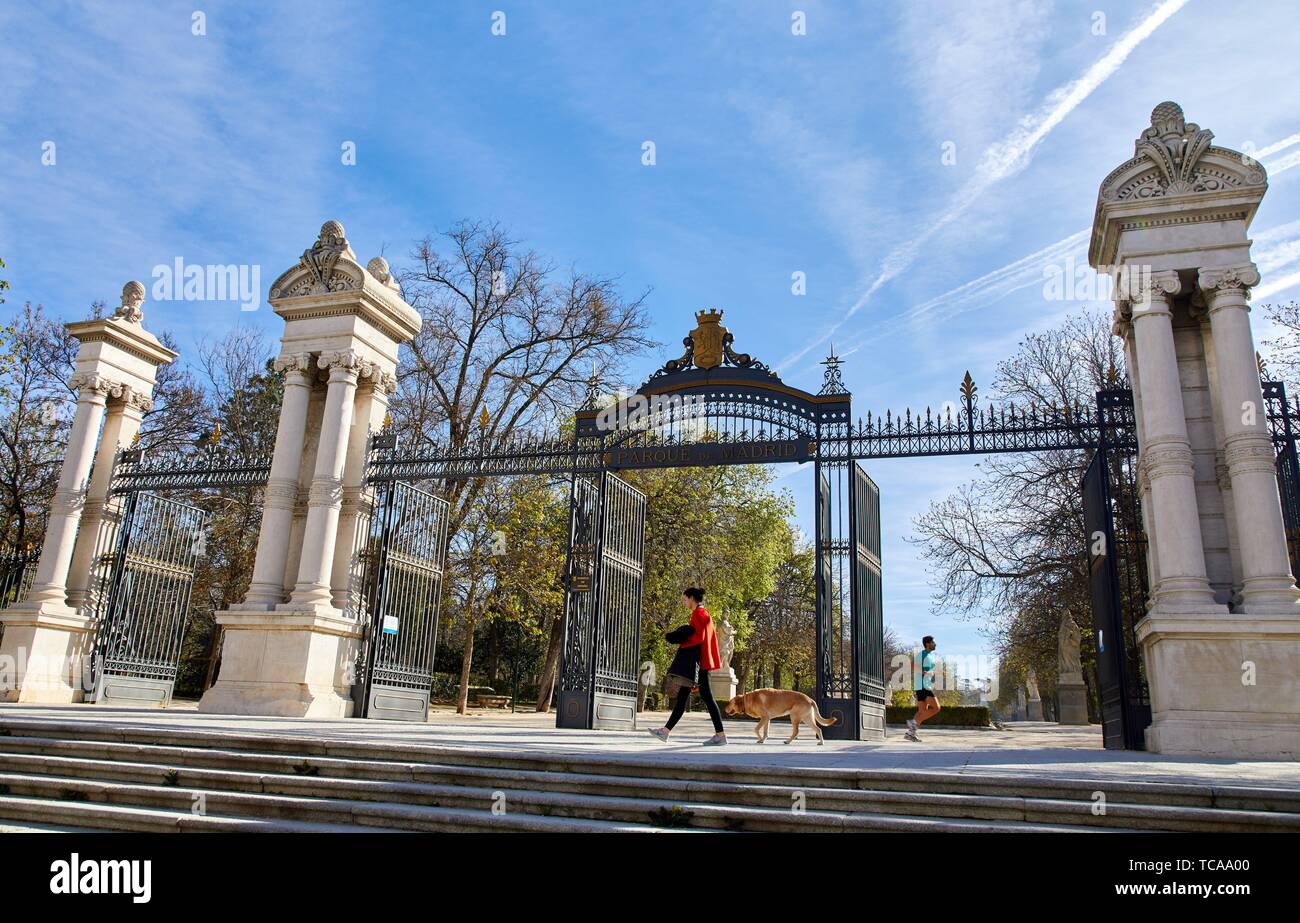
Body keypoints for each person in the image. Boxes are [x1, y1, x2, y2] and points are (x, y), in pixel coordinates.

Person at [648, 587, 727, 746]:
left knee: (707, 698)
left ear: (691, 598)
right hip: (703, 661)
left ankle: (720, 735)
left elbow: (697, 637)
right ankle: (665, 732)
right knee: (685, 697)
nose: (684, 602)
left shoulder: (698, 614)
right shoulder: (704, 614)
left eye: (685, 599)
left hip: (699, 663)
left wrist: (680, 636)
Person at [905, 635, 940, 742]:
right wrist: (924, 673)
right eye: (933, 642)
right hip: (923, 686)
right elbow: (912, 665)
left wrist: (931, 673)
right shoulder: (923, 654)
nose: (935, 644)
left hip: (921, 686)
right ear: (927, 644)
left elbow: (927, 670)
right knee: (936, 708)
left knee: (922, 712)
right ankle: (913, 723)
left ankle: (910, 734)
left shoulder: (929, 656)